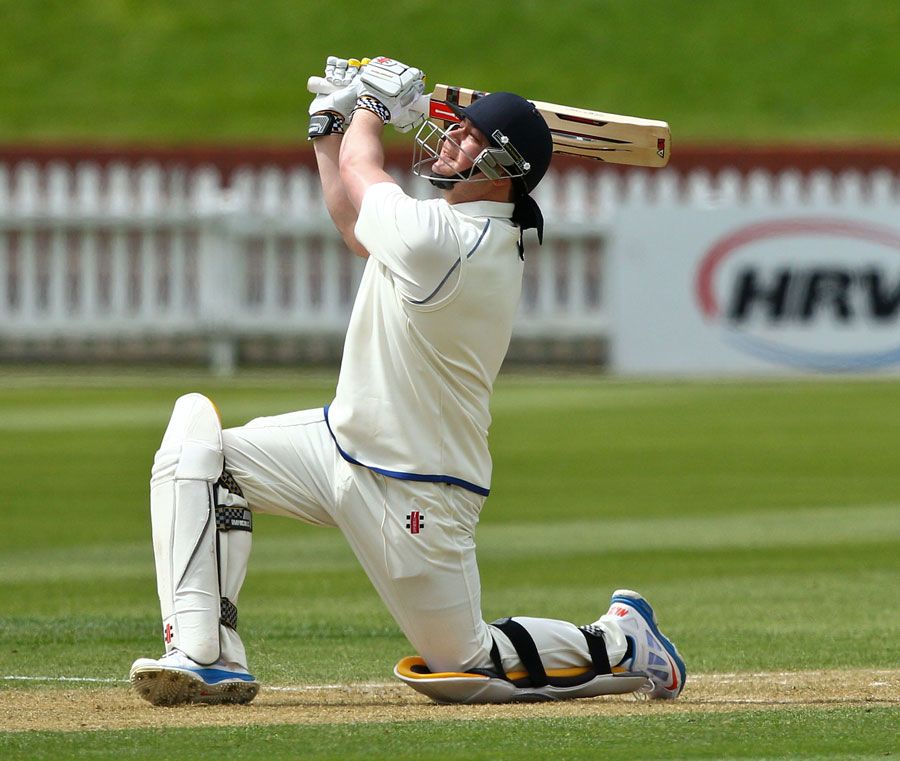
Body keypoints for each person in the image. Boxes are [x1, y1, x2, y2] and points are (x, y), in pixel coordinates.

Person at [129, 56, 686, 706]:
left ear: (504, 171)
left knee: (464, 666)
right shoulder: (437, 228)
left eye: (471, 136)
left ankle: (623, 641)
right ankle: (205, 653)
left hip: (417, 490)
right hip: (334, 445)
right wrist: (329, 127)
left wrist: (370, 109)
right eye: (457, 128)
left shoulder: (453, 244)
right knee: (199, 448)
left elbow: (365, 175)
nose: (451, 137)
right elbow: (352, 220)